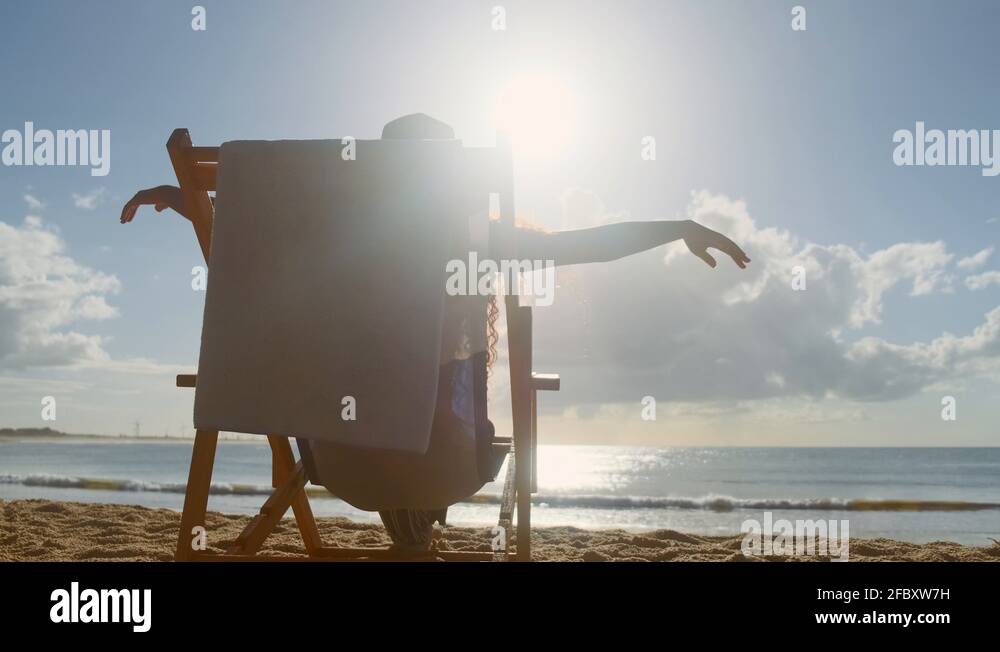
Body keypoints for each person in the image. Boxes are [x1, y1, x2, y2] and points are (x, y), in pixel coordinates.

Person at [121, 113, 749, 550]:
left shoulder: (325, 248)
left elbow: (245, 228)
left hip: (338, 461)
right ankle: (417, 515)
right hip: (446, 461)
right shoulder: (480, 244)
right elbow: (589, 245)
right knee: (436, 399)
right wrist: (677, 226)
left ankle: (407, 512)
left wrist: (182, 197)